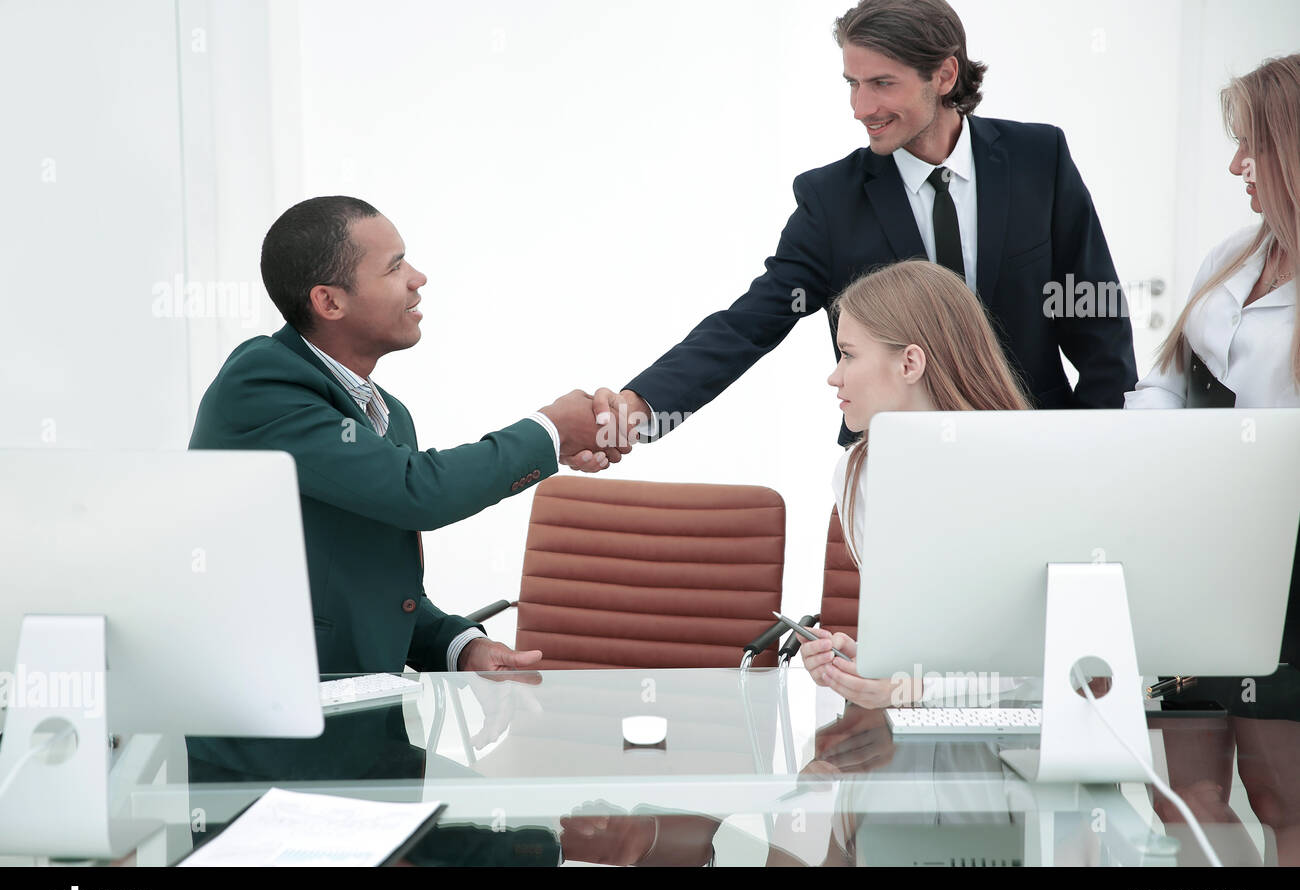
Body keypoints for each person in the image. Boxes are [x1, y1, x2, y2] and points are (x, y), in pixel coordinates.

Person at [574, 0, 1136, 469]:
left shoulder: (1040, 159)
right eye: (853, 84)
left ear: (944, 75)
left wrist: (1097, 450)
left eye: (882, 84)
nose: (860, 108)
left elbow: (1096, 316)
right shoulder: (831, 199)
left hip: (1036, 449)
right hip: (895, 466)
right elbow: (749, 323)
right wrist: (641, 405)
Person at [186, 196, 601, 779]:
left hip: (364, 735)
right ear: (329, 301)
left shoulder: (385, 416)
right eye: (394, 267)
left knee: (529, 836)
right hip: (272, 758)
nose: (418, 279)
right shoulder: (261, 385)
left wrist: (460, 648)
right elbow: (420, 493)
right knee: (523, 835)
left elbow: (366, 586)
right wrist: (552, 432)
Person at [1125, 54, 1300, 865]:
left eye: (1252, 147)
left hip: (1282, 565)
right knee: (1185, 796)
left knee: (1281, 796)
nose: (1237, 166)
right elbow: (1159, 379)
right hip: (1193, 549)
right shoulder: (1234, 254)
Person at [797, 260, 1030, 707]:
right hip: (920, 739)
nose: (834, 375)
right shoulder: (855, 475)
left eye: (847, 354)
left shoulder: (1015, 472)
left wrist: (913, 691)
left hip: (1013, 746)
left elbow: (1035, 668)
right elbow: (933, 649)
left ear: (909, 363)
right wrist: (863, 665)